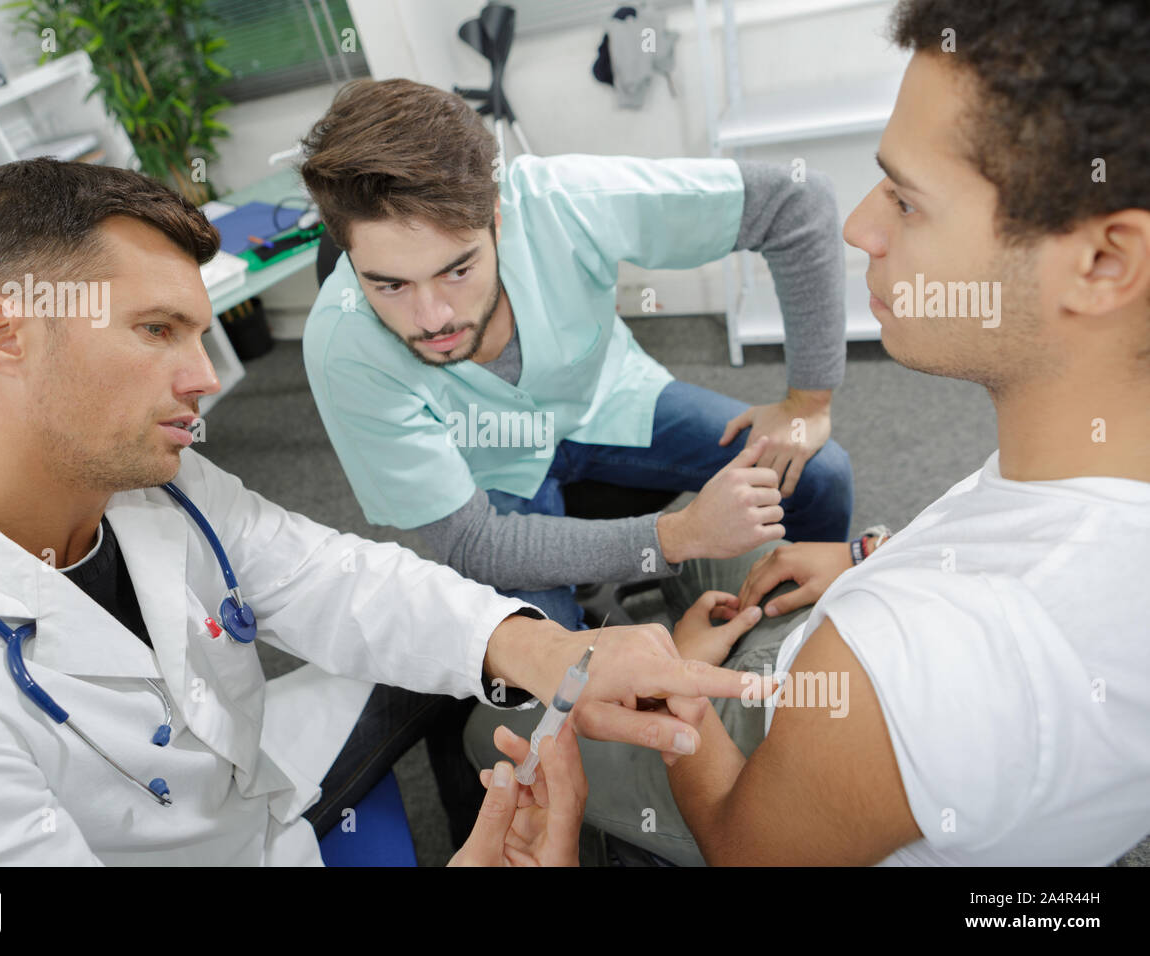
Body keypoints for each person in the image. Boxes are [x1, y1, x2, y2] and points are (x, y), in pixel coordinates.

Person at [0, 158, 772, 865]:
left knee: (469, 653)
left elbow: (328, 575)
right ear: (3, 336)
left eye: (197, 331)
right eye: (155, 331)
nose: (206, 378)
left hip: (252, 789)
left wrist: (554, 653)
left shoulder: (135, 474)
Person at [464, 0, 1150, 866]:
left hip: (785, 766)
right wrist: (869, 555)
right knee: (738, 547)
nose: (861, 226)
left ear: (1104, 262)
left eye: (906, 200)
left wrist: (679, 686)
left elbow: (746, 847)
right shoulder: (1096, 459)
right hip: (843, 667)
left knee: (494, 723)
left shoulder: (940, 655)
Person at [298, 78, 855, 635]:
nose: (433, 317)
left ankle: (804, 646)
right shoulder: (341, 346)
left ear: (496, 215)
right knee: (551, 657)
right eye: (390, 286)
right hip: (487, 481)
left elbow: (797, 203)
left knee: (819, 473)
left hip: (611, 402)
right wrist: (677, 537)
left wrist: (808, 399)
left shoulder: (563, 201)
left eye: (457, 270)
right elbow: (471, 541)